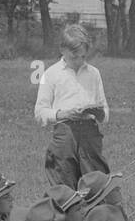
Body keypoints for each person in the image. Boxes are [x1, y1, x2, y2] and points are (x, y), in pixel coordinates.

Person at [35, 23, 110, 188]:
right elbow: (40, 112)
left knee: (96, 182)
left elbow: (105, 109)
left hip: (90, 134)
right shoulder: (51, 74)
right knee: (64, 182)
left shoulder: (94, 73)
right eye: (74, 57)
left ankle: (94, 213)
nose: (79, 61)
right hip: (65, 135)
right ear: (62, 50)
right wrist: (63, 114)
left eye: (83, 57)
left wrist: (99, 113)